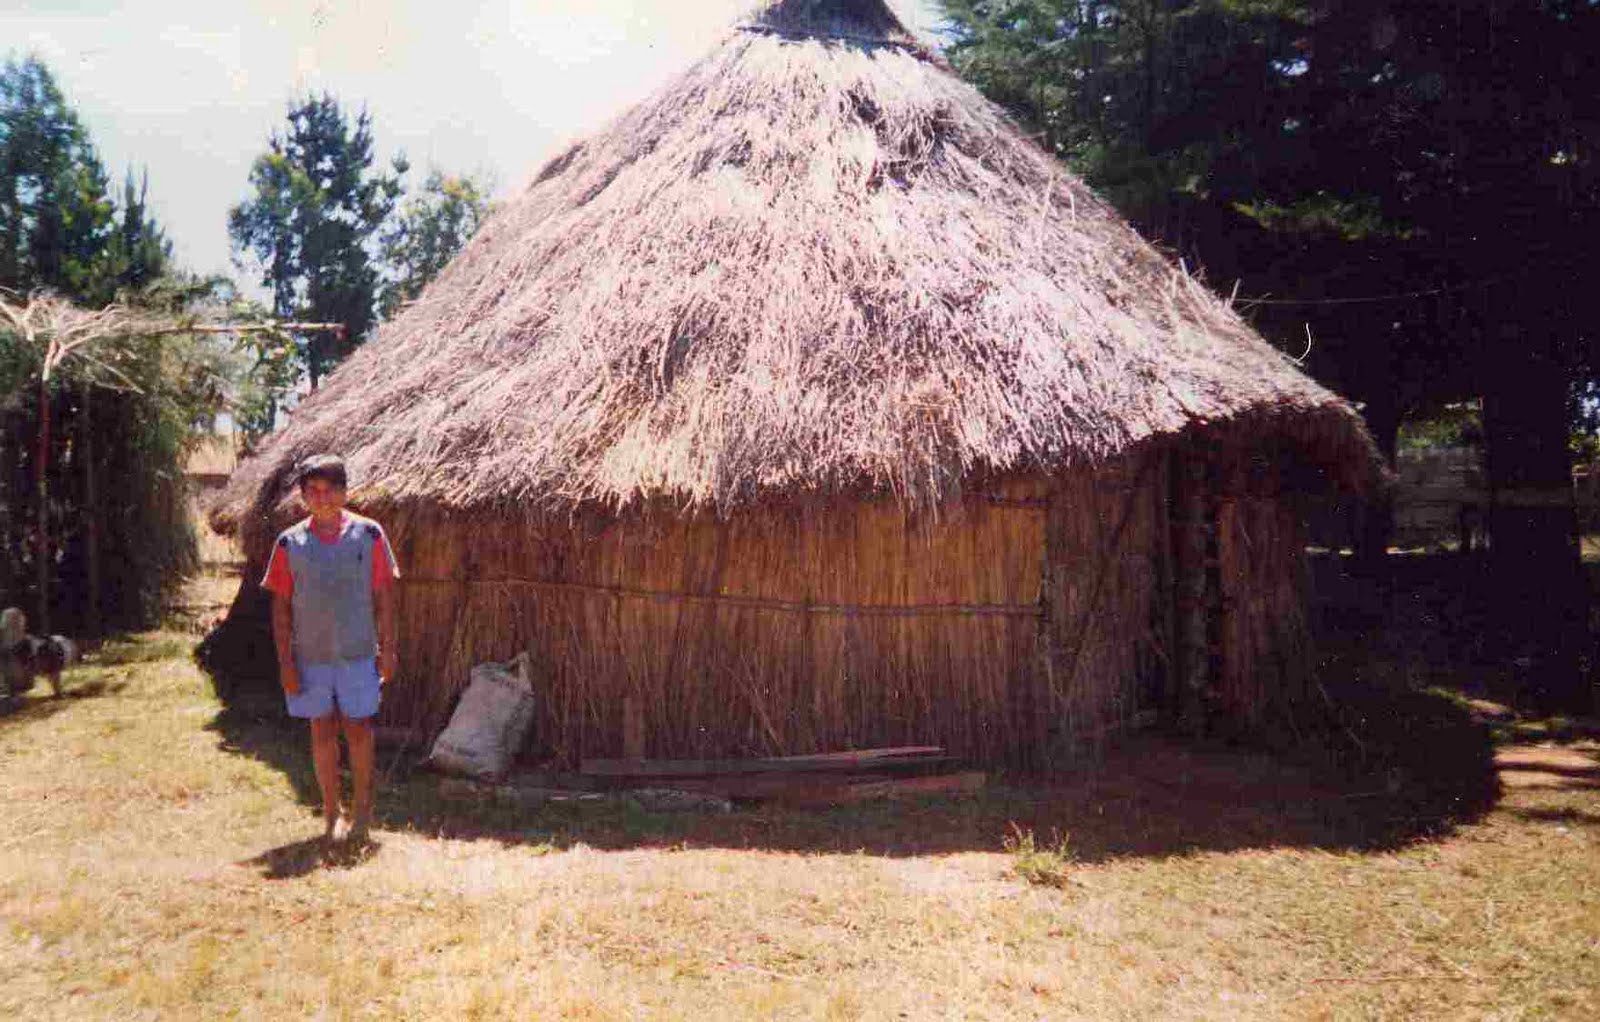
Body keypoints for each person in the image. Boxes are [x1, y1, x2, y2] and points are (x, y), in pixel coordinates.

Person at [262, 454, 400, 847]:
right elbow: (281, 609)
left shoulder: (369, 535)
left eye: (330, 490)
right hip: (311, 659)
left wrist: (388, 651)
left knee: (359, 731)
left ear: (344, 492)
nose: (322, 498)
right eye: (313, 491)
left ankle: (362, 813)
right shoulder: (290, 543)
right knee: (321, 731)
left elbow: (385, 598)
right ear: (303, 496)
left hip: (358, 655)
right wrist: (286, 664)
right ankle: (330, 813)